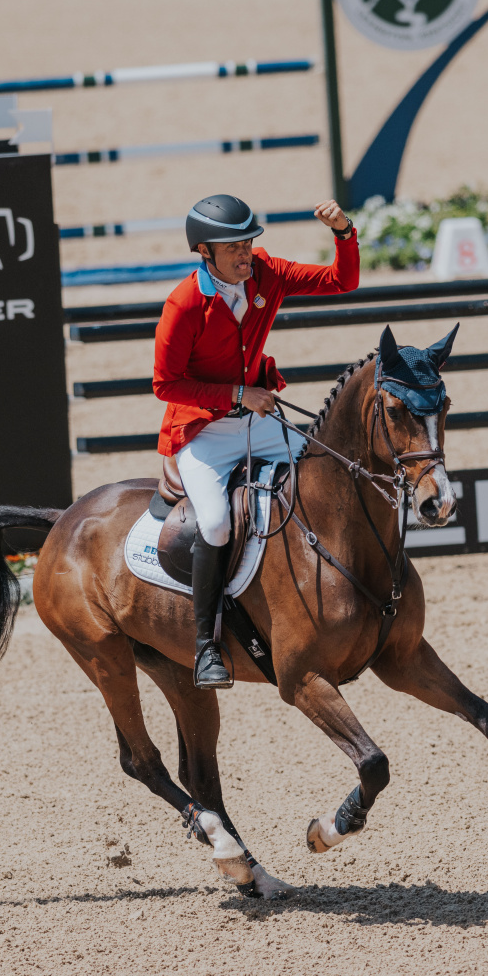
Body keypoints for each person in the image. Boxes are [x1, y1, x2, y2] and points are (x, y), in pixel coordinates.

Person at [152, 194, 359, 688]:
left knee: (322, 481)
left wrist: (344, 234)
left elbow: (341, 280)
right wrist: (237, 393)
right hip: (203, 432)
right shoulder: (184, 304)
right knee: (219, 523)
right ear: (205, 251)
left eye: (248, 242)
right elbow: (166, 384)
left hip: (258, 421)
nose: (245, 253)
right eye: (233, 247)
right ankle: (206, 646)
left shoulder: (266, 274)